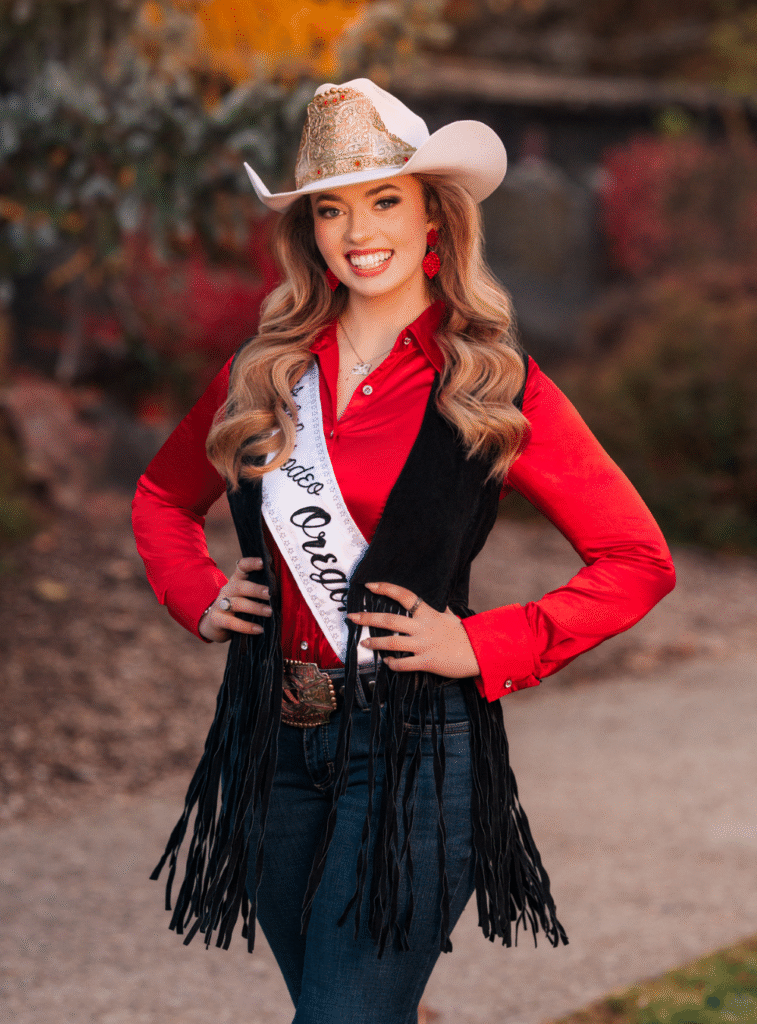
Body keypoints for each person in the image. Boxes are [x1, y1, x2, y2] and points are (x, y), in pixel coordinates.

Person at [131, 78, 676, 1024]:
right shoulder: (262, 375)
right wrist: (198, 593)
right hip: (268, 742)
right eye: (331, 209)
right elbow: (158, 496)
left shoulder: (496, 385)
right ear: (309, 232)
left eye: (384, 197)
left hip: (416, 750)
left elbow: (637, 559)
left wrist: (488, 644)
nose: (357, 229)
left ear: (433, 215)